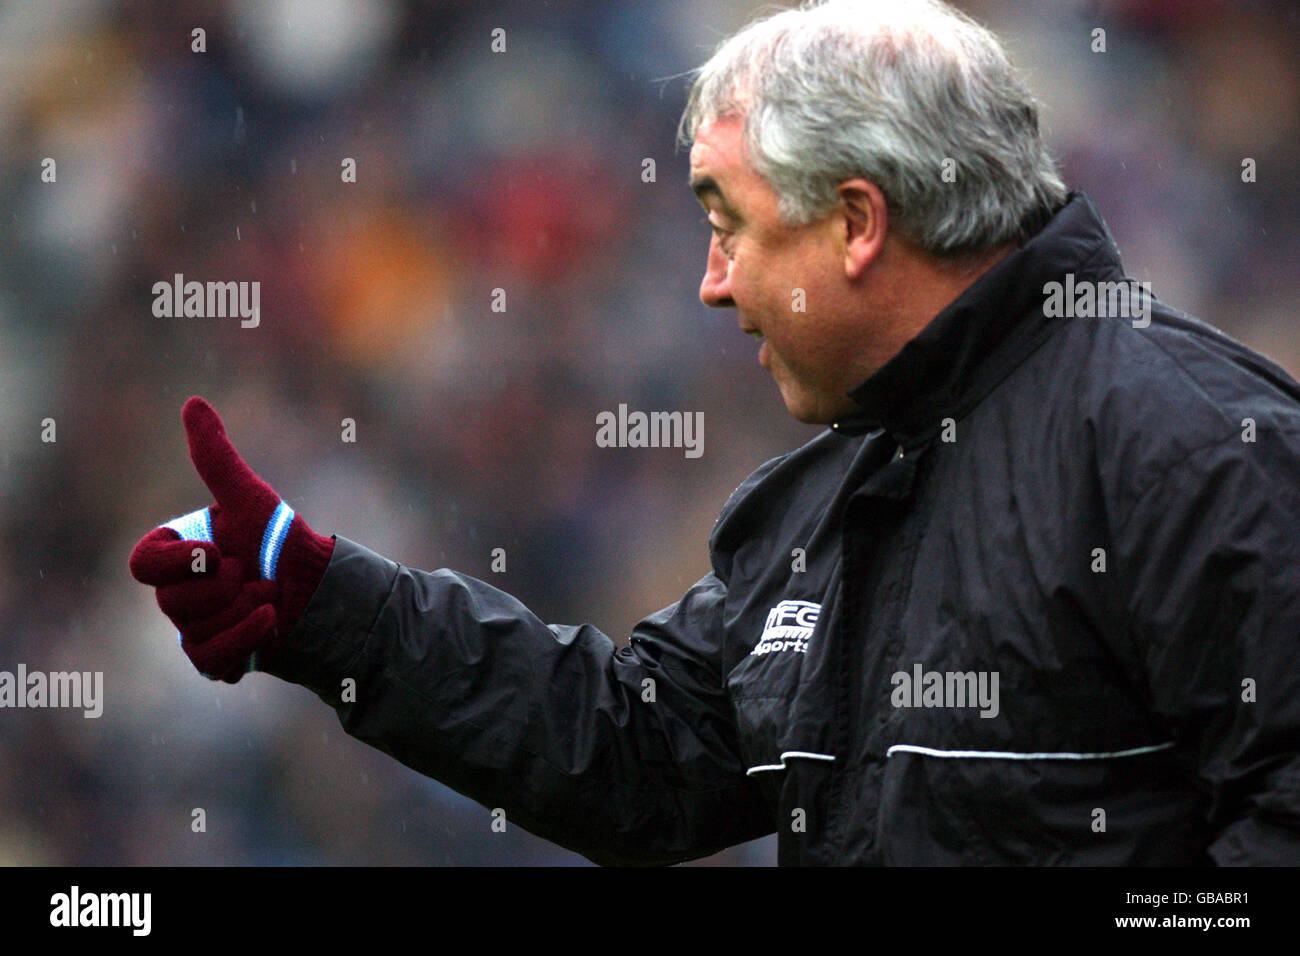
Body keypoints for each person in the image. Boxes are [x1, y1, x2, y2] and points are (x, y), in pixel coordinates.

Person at [128, 0, 1300, 865]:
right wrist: (333, 604)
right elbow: (641, 756)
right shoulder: (824, 502)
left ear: (853, 224)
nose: (709, 282)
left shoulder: (1198, 448)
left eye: (727, 223)